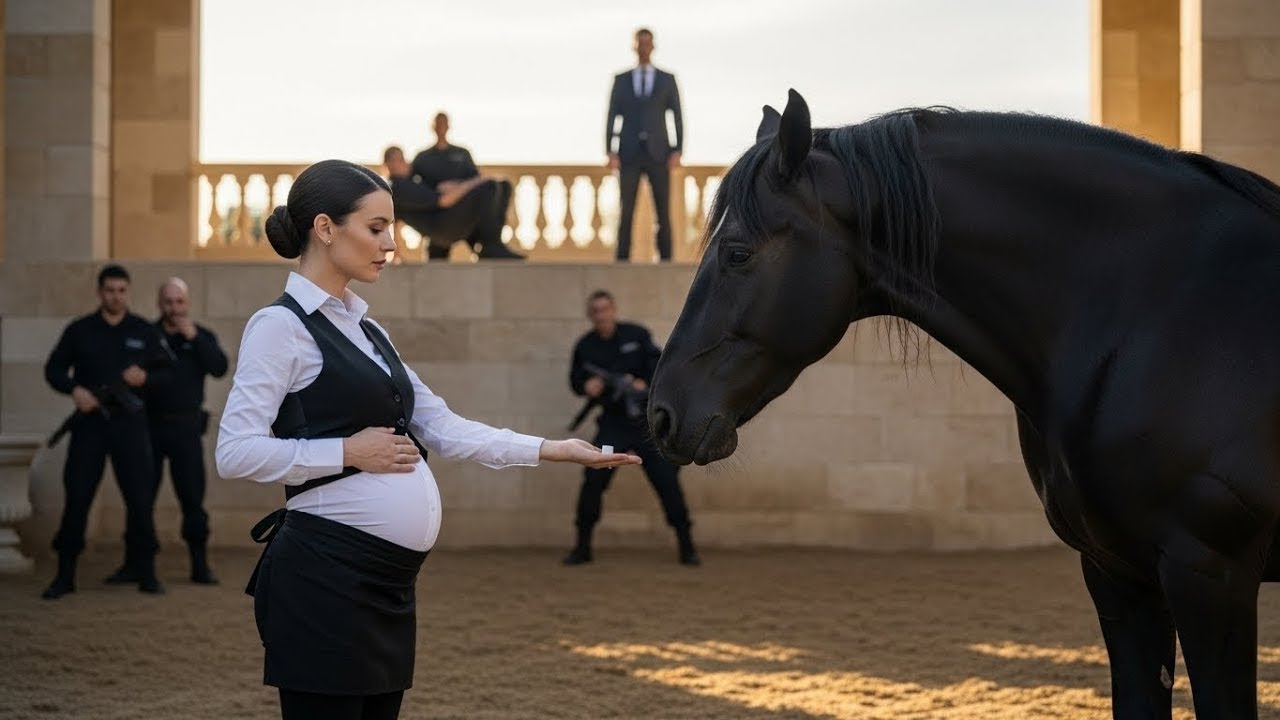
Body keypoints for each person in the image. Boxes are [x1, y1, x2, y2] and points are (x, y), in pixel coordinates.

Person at [215, 159, 638, 720]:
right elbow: (234, 451)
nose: (391, 243)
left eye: (391, 228)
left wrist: (551, 449)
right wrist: (347, 451)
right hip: (324, 578)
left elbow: (442, 425)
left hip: (388, 585)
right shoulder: (279, 326)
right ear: (324, 228)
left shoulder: (368, 330)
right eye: (376, 228)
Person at [42, 264, 169, 599]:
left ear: (128, 291)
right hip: (90, 427)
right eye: (110, 290)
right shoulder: (80, 330)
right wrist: (75, 390)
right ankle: (65, 574)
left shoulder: (143, 331)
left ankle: (147, 573)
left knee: (140, 500)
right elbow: (53, 369)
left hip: (130, 428)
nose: (116, 296)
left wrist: (146, 380)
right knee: (78, 498)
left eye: (121, 290)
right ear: (100, 292)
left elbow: (169, 373)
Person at [564, 289, 699, 566]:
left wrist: (643, 385)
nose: (601, 315)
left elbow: (661, 365)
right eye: (595, 311)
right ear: (590, 315)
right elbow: (576, 381)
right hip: (613, 425)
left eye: (605, 309)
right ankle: (582, 546)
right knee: (593, 481)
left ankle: (687, 545)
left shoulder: (636, 335)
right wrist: (587, 387)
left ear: (613, 309)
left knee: (667, 482)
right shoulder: (586, 346)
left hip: (645, 426)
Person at [142, 277, 228, 584]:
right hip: (149, 428)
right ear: (159, 304)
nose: (174, 308)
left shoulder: (200, 336)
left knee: (192, 499)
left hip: (186, 430)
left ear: (187, 303)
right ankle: (139, 565)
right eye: (168, 302)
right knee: (141, 499)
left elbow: (220, 367)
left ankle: (199, 565)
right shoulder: (148, 336)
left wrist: (195, 339)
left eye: (179, 302)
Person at [605, 27, 684, 262]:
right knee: (626, 209)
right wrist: (610, 150)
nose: (644, 48)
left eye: (647, 43)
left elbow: (677, 116)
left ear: (653, 46)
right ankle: (622, 259)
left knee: (663, 210)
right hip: (628, 153)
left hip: (659, 153)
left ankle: (666, 259)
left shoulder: (666, 80)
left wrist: (678, 150)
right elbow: (611, 116)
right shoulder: (621, 80)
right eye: (640, 44)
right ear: (634, 46)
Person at [401, 112, 524, 260]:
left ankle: (492, 244)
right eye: (438, 123)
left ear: (448, 126)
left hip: (465, 211)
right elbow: (411, 188)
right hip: (441, 216)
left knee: (501, 186)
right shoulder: (423, 157)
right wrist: (437, 193)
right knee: (437, 260)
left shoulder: (462, 153)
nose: (441, 127)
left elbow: (476, 180)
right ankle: (482, 246)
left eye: (444, 123)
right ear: (433, 127)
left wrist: (457, 187)